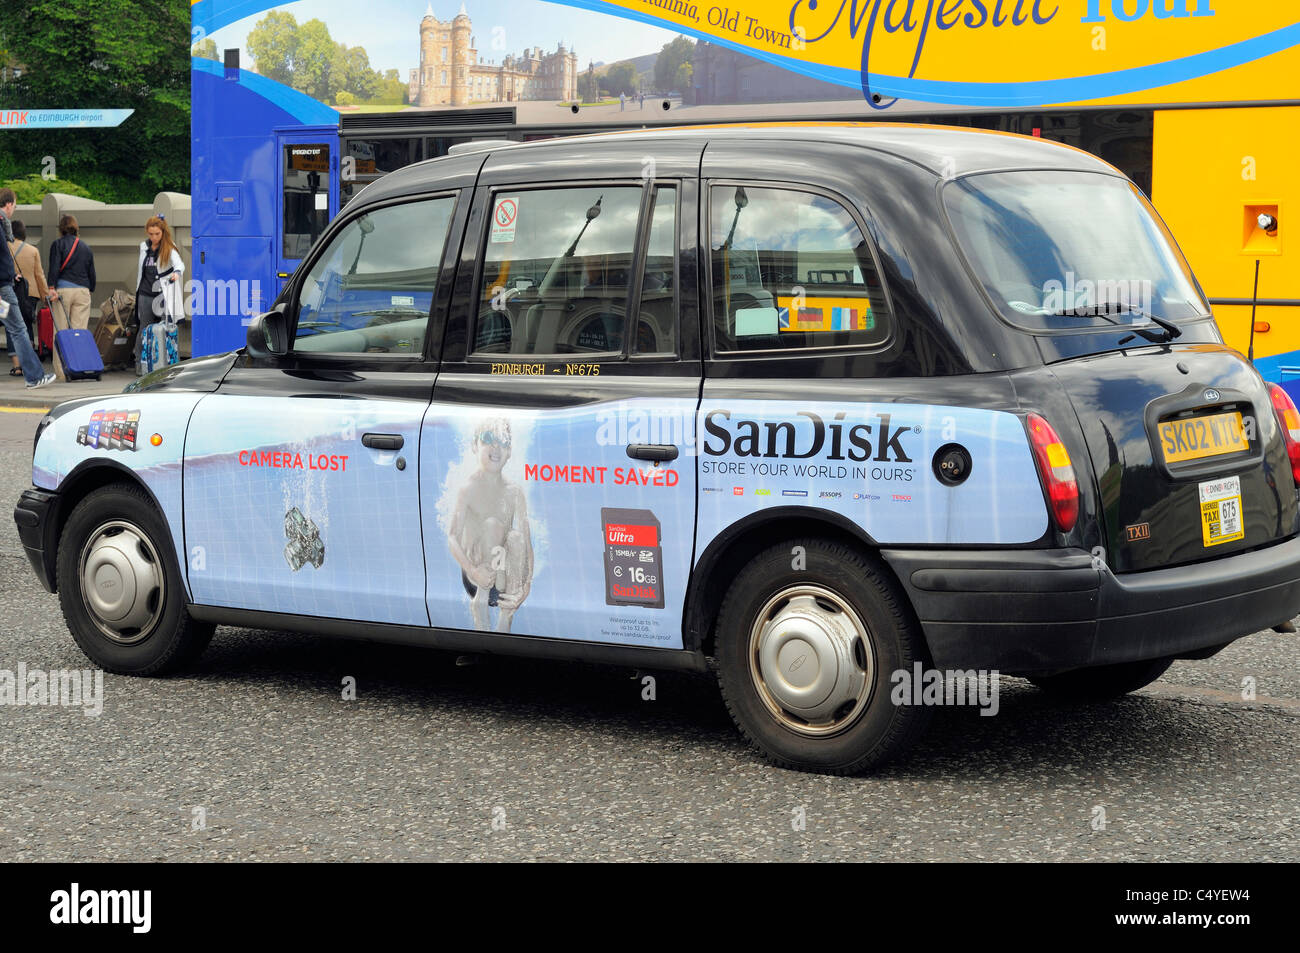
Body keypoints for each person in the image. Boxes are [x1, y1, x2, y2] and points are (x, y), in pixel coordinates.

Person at [446, 418, 533, 633]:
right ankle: (480, 602)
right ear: (475, 445)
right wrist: (474, 572)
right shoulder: (467, 489)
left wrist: (525, 588)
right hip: (476, 578)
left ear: (510, 450)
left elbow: (527, 545)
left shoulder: (515, 492)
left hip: (503, 579)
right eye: (488, 440)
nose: (496, 448)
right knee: (493, 525)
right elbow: (452, 538)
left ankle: (506, 615)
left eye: (503, 442)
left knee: (516, 537)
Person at [0, 188, 54, 388]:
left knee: (15, 329)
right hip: (3, 290)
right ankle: (34, 376)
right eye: (14, 205)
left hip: (4, 286)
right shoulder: (0, 224)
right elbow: (39, 275)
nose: (14, 209)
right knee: (18, 329)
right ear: (8, 204)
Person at [45, 213, 97, 381]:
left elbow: (54, 267)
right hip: (83, 291)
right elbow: (92, 275)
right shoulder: (86, 248)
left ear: (61, 229)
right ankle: (79, 369)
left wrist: (51, 287)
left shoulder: (57, 244)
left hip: (63, 292)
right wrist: (89, 289)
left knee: (60, 331)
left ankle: (61, 372)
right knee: (79, 333)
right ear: (76, 228)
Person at [132, 215, 185, 375]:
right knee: (144, 329)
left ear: (163, 232)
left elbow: (180, 264)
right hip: (145, 293)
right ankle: (140, 365)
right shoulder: (144, 247)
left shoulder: (169, 247)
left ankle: (164, 364)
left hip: (162, 296)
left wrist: (176, 273)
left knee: (165, 328)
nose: (154, 237)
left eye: (157, 234)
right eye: (150, 234)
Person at [7, 219, 47, 377]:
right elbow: (39, 275)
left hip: (8, 293)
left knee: (12, 327)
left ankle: (17, 366)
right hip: (29, 295)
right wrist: (44, 295)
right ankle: (28, 364)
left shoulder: (5, 248)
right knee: (27, 326)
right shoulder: (33, 250)